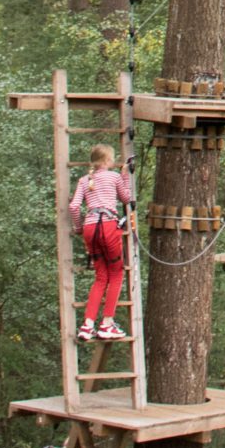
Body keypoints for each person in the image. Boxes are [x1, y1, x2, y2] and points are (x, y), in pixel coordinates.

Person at [68, 144, 133, 343]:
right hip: (108, 226)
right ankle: (106, 324)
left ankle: (87, 325)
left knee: (100, 277)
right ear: (106, 161)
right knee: (116, 273)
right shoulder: (113, 177)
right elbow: (126, 198)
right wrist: (125, 177)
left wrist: (79, 228)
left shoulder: (85, 180)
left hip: (90, 228)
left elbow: (74, 206)